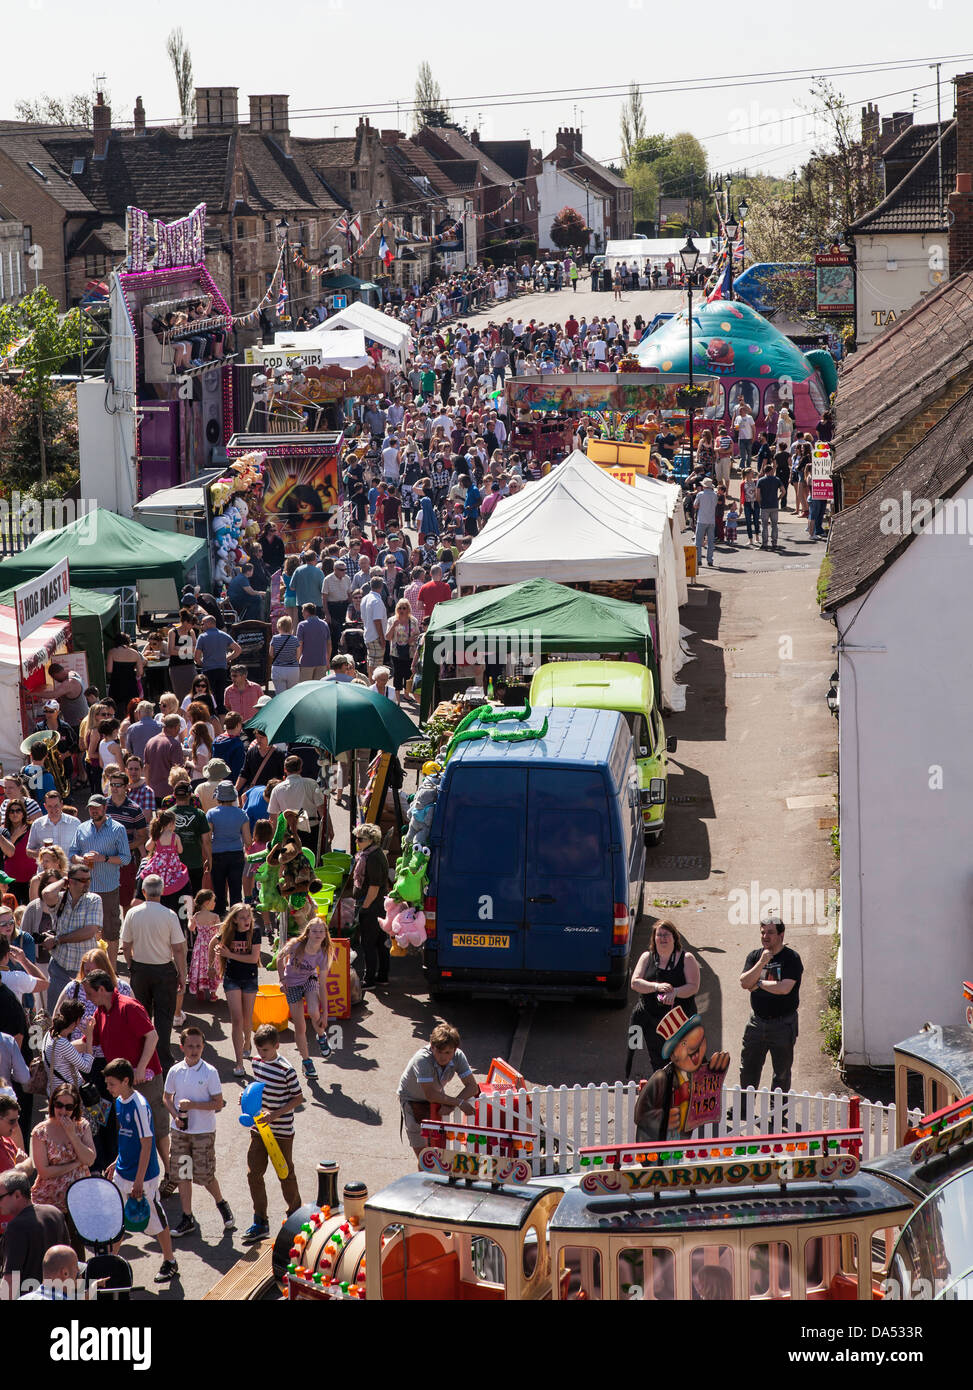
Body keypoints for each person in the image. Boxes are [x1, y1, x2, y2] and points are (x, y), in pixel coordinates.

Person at [102, 1057, 178, 1283]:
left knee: (155, 1219)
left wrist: (138, 1181)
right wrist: (117, 1160)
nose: (108, 1088)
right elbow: (127, 1137)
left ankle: (170, 1261)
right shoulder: (119, 1102)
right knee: (117, 1220)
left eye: (112, 1084)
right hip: (123, 1172)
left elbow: (147, 1144)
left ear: (126, 1081)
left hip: (142, 1178)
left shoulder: (140, 1106)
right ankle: (109, 1265)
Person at [164, 1025, 234, 1238]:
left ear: (203, 1047)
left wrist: (193, 1105)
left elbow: (218, 1103)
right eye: (190, 1046)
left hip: (203, 1132)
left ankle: (221, 1203)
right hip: (180, 1132)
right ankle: (187, 1217)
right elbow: (166, 1097)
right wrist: (176, 1116)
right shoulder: (175, 1071)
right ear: (182, 1047)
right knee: (183, 1173)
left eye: (198, 1046)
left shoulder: (210, 1072)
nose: (194, 1050)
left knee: (204, 1175)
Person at [240, 1023, 304, 1243]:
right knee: (254, 1173)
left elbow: (298, 1098)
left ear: (277, 1046)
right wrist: (246, 1097)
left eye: (266, 1050)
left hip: (282, 1131)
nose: (261, 1054)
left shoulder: (287, 1070)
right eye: (259, 1050)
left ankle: (296, 1217)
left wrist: (275, 1114)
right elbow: (257, 1087)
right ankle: (260, 1221)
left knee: (285, 1174)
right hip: (260, 1128)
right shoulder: (257, 1063)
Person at [633, 1005, 730, 1142]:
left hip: (682, 1139)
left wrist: (714, 1075)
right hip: (655, 1144)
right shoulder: (661, 1078)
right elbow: (639, 1115)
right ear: (673, 1054)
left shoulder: (695, 1076)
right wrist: (662, 1118)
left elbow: (706, 1101)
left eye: (700, 1039)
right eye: (684, 1043)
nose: (696, 1046)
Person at [120, 876, 186, 1074]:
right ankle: (164, 1061)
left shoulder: (133, 913)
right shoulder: (170, 915)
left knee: (143, 1016)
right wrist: (182, 973)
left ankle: (143, 1057)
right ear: (163, 891)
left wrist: (132, 965)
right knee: (164, 1017)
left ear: (144, 892)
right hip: (164, 970)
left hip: (140, 969)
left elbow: (126, 945)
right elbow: (178, 949)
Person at [625, 921, 701, 1079]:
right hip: (650, 1018)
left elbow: (693, 987)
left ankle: (677, 1094)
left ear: (675, 937)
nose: (663, 938)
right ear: (654, 938)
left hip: (679, 1021)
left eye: (667, 934)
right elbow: (635, 983)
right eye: (659, 935)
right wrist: (656, 987)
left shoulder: (687, 958)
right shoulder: (647, 957)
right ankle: (659, 1091)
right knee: (655, 1058)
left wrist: (676, 992)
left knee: (680, 1060)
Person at [739, 915, 803, 1098]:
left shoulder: (791, 958)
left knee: (781, 1073)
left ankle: (777, 1112)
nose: (765, 937)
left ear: (781, 935)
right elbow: (744, 982)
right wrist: (761, 963)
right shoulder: (755, 956)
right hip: (756, 1023)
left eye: (770, 933)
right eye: (763, 933)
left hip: (783, 1024)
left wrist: (758, 983)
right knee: (748, 1068)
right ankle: (745, 1108)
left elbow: (784, 988)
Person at [397, 1023, 479, 1160]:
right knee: (425, 1156)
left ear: (455, 1050)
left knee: (439, 1150)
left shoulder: (458, 1056)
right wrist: (458, 1102)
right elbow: (430, 1094)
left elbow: (472, 1086)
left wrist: (451, 1105)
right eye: (439, 1051)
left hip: (438, 1098)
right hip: (413, 1100)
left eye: (448, 1052)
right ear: (431, 1046)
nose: (443, 1057)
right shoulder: (422, 1059)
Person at [30, 1082, 95, 1253]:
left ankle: (79, 1281)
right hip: (49, 1202)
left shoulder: (82, 1126)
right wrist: (74, 1164)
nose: (63, 1111)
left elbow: (89, 1159)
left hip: (77, 1200)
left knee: (77, 1251)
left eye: (68, 1107)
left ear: (75, 1108)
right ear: (52, 1105)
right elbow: (43, 1171)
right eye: (59, 1105)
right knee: (52, 1253)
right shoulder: (40, 1132)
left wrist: (72, 1135)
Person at [69, 794, 131, 969]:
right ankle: (87, 968)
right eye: (90, 807)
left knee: (110, 930)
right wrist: (81, 859)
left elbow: (125, 858)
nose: (93, 810)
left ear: (105, 808)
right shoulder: (82, 828)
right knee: (85, 929)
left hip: (107, 887)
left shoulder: (117, 829)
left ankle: (111, 970)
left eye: (97, 807)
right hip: (84, 888)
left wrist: (103, 858)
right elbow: (71, 853)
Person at [277, 918, 334, 1078]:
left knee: (315, 1011)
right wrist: (282, 979)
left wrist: (325, 1014)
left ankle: (322, 1037)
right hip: (292, 984)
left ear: (325, 935)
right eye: (314, 931)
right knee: (300, 1026)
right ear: (308, 933)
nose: (317, 934)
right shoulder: (296, 944)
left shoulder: (322, 954)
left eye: (321, 931)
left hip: (309, 980)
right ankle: (307, 1062)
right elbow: (279, 958)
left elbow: (322, 986)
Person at [40, 862, 103, 1006]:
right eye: (83, 880)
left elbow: (90, 931)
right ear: (71, 881)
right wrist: (63, 880)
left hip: (85, 970)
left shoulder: (94, 900)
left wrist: (58, 940)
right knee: (55, 1011)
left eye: (88, 879)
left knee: (84, 1013)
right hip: (59, 967)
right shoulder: (60, 898)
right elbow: (46, 893)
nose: (87, 883)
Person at [0, 1169, 70, 1297]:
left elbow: (10, 1282)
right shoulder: (55, 1213)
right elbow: (71, 1260)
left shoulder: (16, 1227)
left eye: (0, 1197)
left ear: (17, 1195)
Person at [210, 903, 261, 1076]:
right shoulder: (227, 932)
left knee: (248, 1019)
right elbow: (212, 944)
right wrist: (212, 965)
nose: (247, 920)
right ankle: (239, 1063)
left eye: (248, 917)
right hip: (231, 979)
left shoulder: (255, 932)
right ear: (235, 920)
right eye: (242, 918)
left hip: (250, 978)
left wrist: (229, 955)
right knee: (237, 1020)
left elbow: (254, 958)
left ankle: (248, 1041)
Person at [206, 783, 252, 914]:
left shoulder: (211, 813)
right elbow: (248, 841)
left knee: (219, 892)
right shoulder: (241, 814)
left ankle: (220, 920)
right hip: (236, 855)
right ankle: (236, 921)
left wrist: (208, 857)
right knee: (236, 891)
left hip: (217, 855)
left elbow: (207, 839)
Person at [266, 755, 325, 852]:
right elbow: (322, 810)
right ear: (301, 768)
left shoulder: (277, 789)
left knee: (291, 863)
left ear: (285, 769)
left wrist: (274, 840)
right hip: (311, 829)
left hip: (289, 832)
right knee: (312, 861)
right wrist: (328, 829)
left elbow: (273, 818)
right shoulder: (311, 783)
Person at [194, 615, 242, 714]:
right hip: (222, 670)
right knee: (220, 698)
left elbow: (197, 657)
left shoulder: (202, 637)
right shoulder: (224, 635)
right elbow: (238, 650)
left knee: (207, 698)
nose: (202, 626)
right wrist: (227, 659)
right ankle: (220, 724)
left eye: (203, 623)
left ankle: (210, 721)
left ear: (210, 623)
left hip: (208, 671)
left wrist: (203, 664)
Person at [186, 889, 221, 1003]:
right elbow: (220, 932)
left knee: (200, 966)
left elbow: (191, 928)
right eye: (213, 901)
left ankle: (200, 989)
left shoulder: (196, 915)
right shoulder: (215, 916)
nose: (215, 903)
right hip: (212, 944)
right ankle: (213, 993)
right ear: (207, 903)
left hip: (200, 945)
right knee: (212, 965)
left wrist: (190, 918)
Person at [143, 715, 187, 802]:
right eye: (179, 728)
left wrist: (148, 788)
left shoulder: (150, 742)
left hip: (152, 792)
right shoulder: (174, 744)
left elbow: (146, 767)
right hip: (169, 793)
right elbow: (178, 771)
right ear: (175, 727)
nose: (179, 731)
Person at [0, 800, 36, 904]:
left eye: (18, 810)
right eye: (11, 811)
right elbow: (5, 854)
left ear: (23, 813)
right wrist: (14, 836)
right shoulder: (3, 830)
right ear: (8, 814)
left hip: (30, 876)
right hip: (10, 878)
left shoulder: (32, 827)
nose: (15, 814)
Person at [26, 789, 80, 856]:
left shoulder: (74, 823)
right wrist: (40, 853)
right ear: (45, 806)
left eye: (56, 806)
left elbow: (81, 848)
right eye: (50, 806)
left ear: (61, 804)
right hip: (46, 866)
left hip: (68, 866)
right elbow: (28, 851)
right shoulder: (37, 824)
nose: (53, 809)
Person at [385, 598, 420, 695]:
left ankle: (406, 694)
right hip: (396, 651)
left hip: (410, 651)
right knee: (398, 673)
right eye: (399, 608)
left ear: (408, 609)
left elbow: (418, 635)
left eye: (404, 608)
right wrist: (393, 626)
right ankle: (397, 696)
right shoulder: (392, 620)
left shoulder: (413, 621)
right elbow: (387, 637)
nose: (401, 610)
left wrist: (412, 639)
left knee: (408, 673)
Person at [360, 576, 388, 678]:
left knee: (370, 661)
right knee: (376, 665)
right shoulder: (376, 601)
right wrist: (382, 638)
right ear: (381, 587)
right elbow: (377, 621)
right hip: (376, 636)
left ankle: (371, 683)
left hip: (368, 634)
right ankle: (374, 685)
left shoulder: (365, 598)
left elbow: (364, 618)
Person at [296, 603, 331, 682]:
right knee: (318, 689)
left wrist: (297, 660)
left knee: (305, 688)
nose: (302, 614)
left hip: (306, 662)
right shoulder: (324, 624)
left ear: (306, 612)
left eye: (302, 612)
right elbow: (329, 644)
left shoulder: (302, 625)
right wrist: (327, 660)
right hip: (321, 662)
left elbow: (300, 645)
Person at [269, 616, 301, 694]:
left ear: (279, 626)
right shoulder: (295, 639)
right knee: (292, 694)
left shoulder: (274, 638)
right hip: (293, 669)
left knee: (280, 695)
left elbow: (271, 654)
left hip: (278, 668)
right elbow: (298, 656)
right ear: (290, 626)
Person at [757, 464, 784, 550]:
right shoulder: (776, 479)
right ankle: (774, 543)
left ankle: (764, 544)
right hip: (774, 505)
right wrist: (778, 499)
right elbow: (783, 491)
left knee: (764, 525)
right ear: (771, 471)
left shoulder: (760, 481)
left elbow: (757, 494)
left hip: (764, 505)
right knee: (774, 525)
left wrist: (759, 502)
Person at [694, 478, 718, 569]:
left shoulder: (700, 494)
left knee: (698, 541)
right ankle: (710, 560)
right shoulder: (714, 495)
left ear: (704, 486)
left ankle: (699, 559)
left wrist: (701, 506)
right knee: (710, 541)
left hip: (702, 519)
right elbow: (715, 505)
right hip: (711, 520)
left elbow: (695, 505)